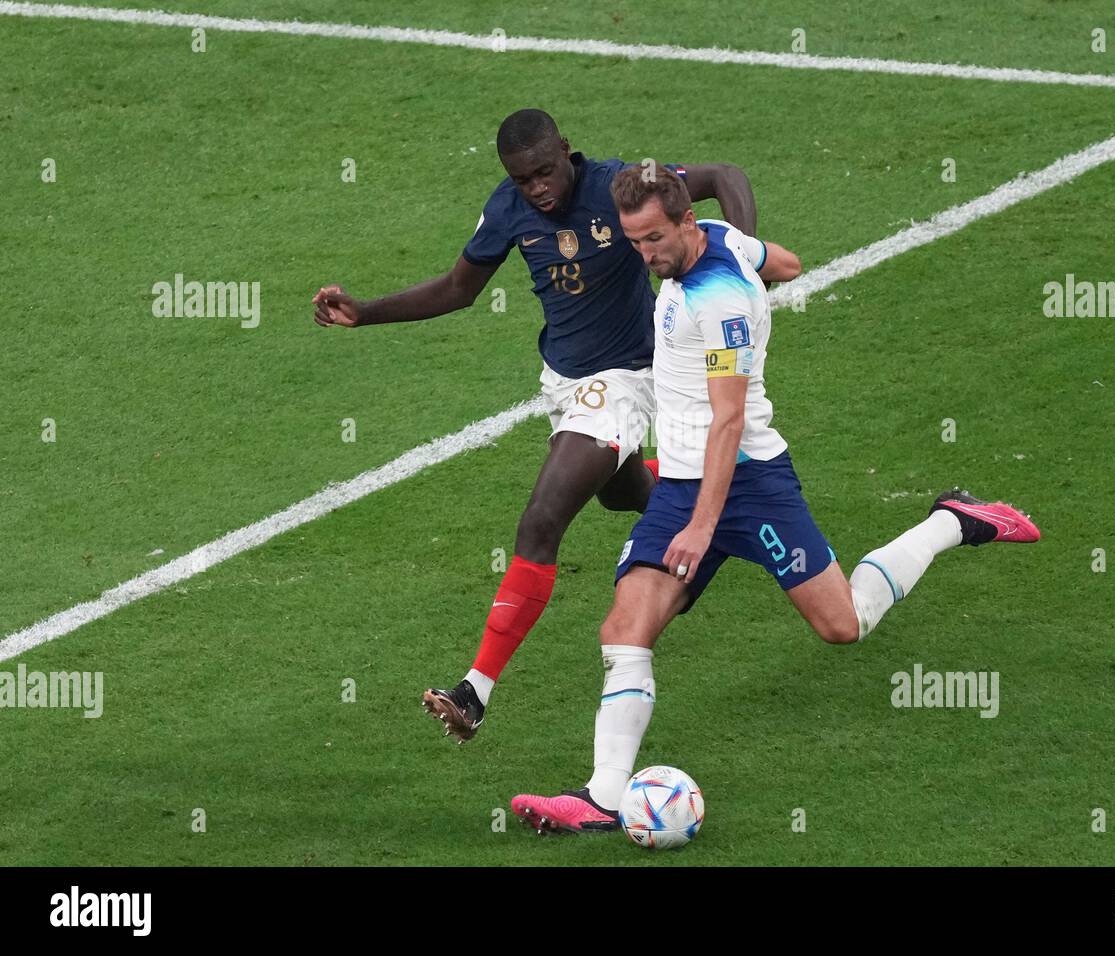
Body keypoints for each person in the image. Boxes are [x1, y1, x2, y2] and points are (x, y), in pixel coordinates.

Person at [511, 164, 1040, 833]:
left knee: (842, 624)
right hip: (680, 484)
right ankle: (603, 797)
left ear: (679, 221)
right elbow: (784, 262)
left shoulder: (722, 302)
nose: (642, 256)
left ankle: (950, 522)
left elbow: (729, 424)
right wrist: (764, 265)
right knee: (624, 629)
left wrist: (703, 529)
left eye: (650, 241)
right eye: (632, 242)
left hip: (749, 485)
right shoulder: (719, 238)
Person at [312, 110, 759, 743]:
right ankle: (707, 499)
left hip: (627, 379)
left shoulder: (621, 184)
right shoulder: (509, 209)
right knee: (620, 493)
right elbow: (459, 289)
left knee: (542, 520)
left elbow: (724, 175)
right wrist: (368, 313)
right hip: (563, 382)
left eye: (546, 172)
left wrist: (738, 260)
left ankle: (475, 692)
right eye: (524, 179)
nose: (539, 188)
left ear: (567, 154)